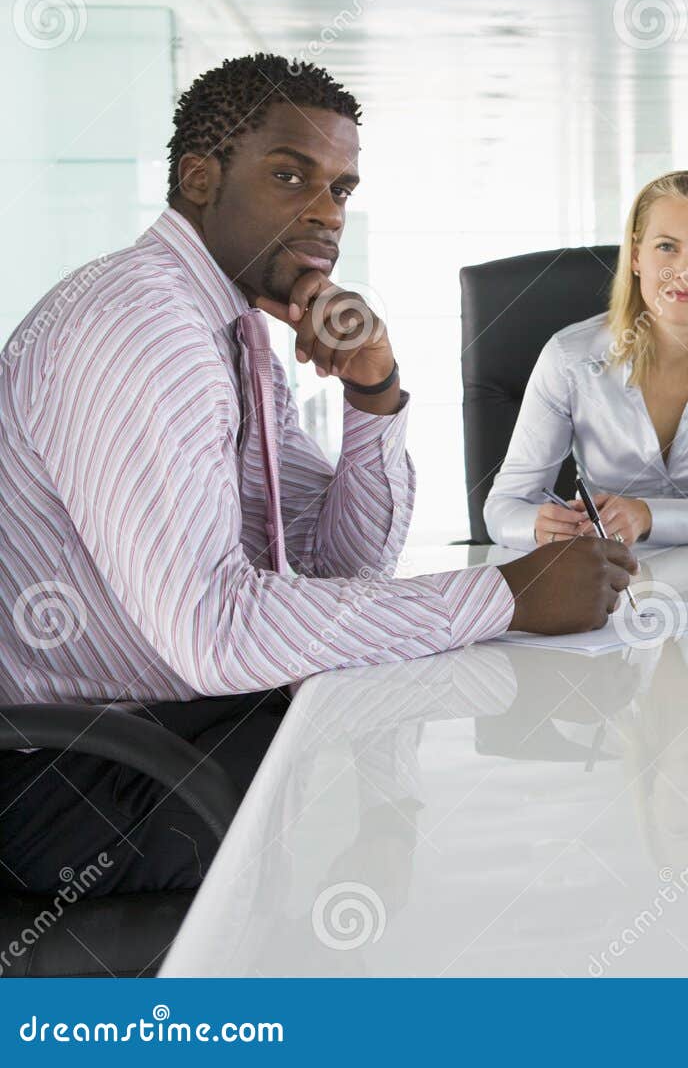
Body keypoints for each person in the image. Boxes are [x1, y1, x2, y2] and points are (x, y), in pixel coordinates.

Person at [0, 54, 633, 895]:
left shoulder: (233, 333)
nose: (324, 213)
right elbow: (213, 628)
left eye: (340, 189)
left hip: (163, 726)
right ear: (199, 178)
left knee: (405, 718)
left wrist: (375, 392)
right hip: (65, 777)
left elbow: (342, 567)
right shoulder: (145, 326)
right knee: (443, 796)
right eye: (291, 175)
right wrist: (508, 595)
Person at [483, 169, 688, 549]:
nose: (685, 271)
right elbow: (504, 508)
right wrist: (539, 525)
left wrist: (646, 515)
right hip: (608, 575)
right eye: (667, 247)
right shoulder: (570, 357)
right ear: (636, 256)